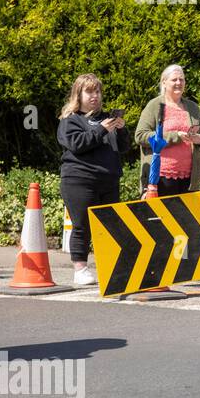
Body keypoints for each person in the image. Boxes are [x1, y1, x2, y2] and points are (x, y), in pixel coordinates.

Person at [57, 74, 131, 287]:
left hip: (108, 179)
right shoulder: (70, 120)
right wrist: (101, 130)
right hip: (79, 179)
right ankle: (80, 269)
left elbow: (124, 147)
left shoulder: (106, 119)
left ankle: (111, 266)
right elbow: (77, 144)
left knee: (110, 225)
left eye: (97, 92)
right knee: (82, 225)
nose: (95, 96)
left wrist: (120, 128)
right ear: (78, 95)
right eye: (89, 92)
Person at [135, 64, 200, 197]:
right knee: (161, 217)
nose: (179, 83)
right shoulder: (154, 106)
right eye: (174, 79)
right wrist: (175, 136)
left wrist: (198, 139)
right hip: (161, 177)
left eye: (181, 80)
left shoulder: (192, 107)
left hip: (189, 179)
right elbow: (140, 136)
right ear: (164, 82)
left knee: (186, 218)